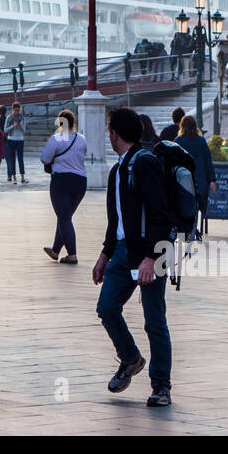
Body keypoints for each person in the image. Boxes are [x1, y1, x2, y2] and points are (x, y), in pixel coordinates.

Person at [93, 107, 174, 407]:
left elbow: (160, 214)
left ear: (115, 133)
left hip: (153, 250)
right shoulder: (118, 169)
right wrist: (105, 254)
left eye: (109, 129)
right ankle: (130, 358)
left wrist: (152, 258)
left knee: (154, 320)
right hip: (124, 251)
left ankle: (161, 387)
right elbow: (116, 220)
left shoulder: (145, 163)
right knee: (107, 307)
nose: (108, 134)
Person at [40, 109, 87, 263]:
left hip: (61, 181)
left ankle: (72, 254)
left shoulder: (56, 139)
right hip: (80, 181)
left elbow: (45, 159)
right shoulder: (81, 139)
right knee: (65, 216)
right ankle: (55, 250)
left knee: (64, 218)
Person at [174, 115, 216, 234]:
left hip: (183, 181)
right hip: (200, 180)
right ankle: (193, 231)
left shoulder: (178, 141)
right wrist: (212, 179)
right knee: (196, 208)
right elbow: (208, 160)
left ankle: (184, 232)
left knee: (183, 207)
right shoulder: (201, 141)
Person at [4, 102, 28, 184]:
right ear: (12, 110)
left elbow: (25, 130)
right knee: (12, 159)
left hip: (20, 139)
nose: (17, 112)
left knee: (20, 159)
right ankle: (14, 177)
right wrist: (12, 126)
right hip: (11, 139)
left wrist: (21, 126)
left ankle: (22, 177)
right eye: (15, 110)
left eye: (18, 110)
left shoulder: (22, 118)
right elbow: (5, 130)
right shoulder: (9, 117)